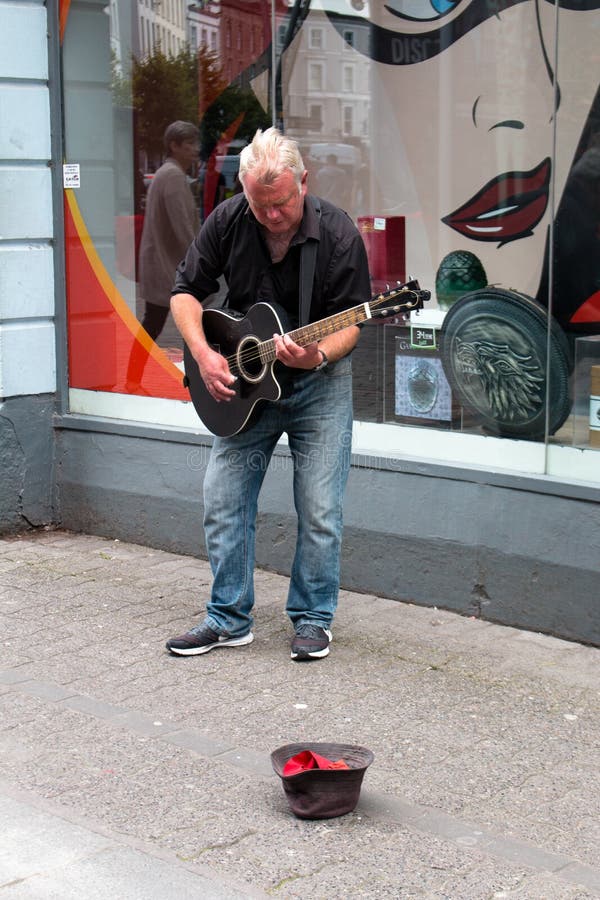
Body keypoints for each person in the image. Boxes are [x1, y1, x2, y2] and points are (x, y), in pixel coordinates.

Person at [165, 126, 371, 661]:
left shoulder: (340, 235)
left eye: (280, 204)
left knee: (320, 508)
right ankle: (228, 618)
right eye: (260, 205)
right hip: (244, 384)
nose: (272, 216)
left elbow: (353, 323)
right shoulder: (230, 219)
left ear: (302, 182)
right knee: (223, 498)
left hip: (319, 385)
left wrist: (319, 353)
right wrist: (205, 355)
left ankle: (313, 620)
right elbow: (185, 292)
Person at [126, 121, 199, 389]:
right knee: (189, 323)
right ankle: (135, 379)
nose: (195, 149)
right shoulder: (173, 177)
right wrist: (201, 259)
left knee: (154, 323)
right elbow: (182, 226)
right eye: (189, 144)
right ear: (174, 146)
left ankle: (133, 379)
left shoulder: (166, 174)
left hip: (162, 265)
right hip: (168, 268)